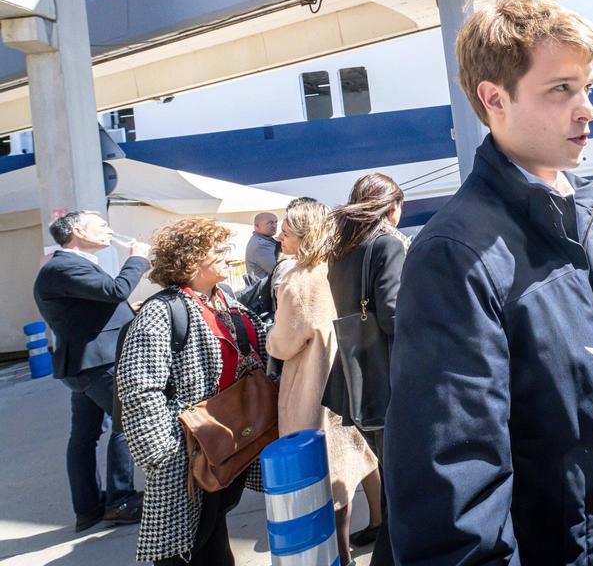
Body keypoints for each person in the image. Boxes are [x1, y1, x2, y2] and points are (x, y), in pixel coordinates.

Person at [386, 0, 593, 564]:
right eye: (561, 89)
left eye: (587, 86)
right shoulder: (454, 257)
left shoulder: (578, 213)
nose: (587, 108)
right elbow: (453, 505)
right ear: (494, 99)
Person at [116, 218, 269, 565]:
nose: (228, 257)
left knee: (213, 533)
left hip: (228, 442)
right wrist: (165, 456)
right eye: (219, 251)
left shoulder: (221, 299)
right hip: (189, 452)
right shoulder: (161, 311)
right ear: (191, 258)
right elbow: (139, 388)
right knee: (185, 547)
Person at [268, 199, 378, 566]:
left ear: (303, 235)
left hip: (312, 386)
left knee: (324, 473)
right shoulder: (340, 264)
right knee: (354, 459)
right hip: (349, 377)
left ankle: (339, 556)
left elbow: (284, 344)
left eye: (286, 231)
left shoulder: (298, 280)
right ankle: (368, 532)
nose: (279, 237)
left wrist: (268, 338)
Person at [32, 210, 149, 532]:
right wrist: (137, 259)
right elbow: (116, 290)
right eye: (101, 225)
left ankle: (89, 508)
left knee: (84, 436)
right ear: (77, 231)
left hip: (85, 364)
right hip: (95, 364)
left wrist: (127, 311)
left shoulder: (68, 266)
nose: (108, 230)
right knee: (127, 425)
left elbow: (91, 307)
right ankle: (120, 501)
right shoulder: (64, 265)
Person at [324, 172, 409, 566]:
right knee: (403, 485)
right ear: (391, 207)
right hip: (389, 375)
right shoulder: (387, 243)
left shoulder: (342, 248)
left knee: (391, 477)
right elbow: (392, 314)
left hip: (355, 378)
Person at [243, 212, 280, 283]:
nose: (274, 226)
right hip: (264, 292)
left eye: (276, 222)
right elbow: (279, 270)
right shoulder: (261, 245)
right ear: (257, 226)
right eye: (270, 223)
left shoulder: (264, 240)